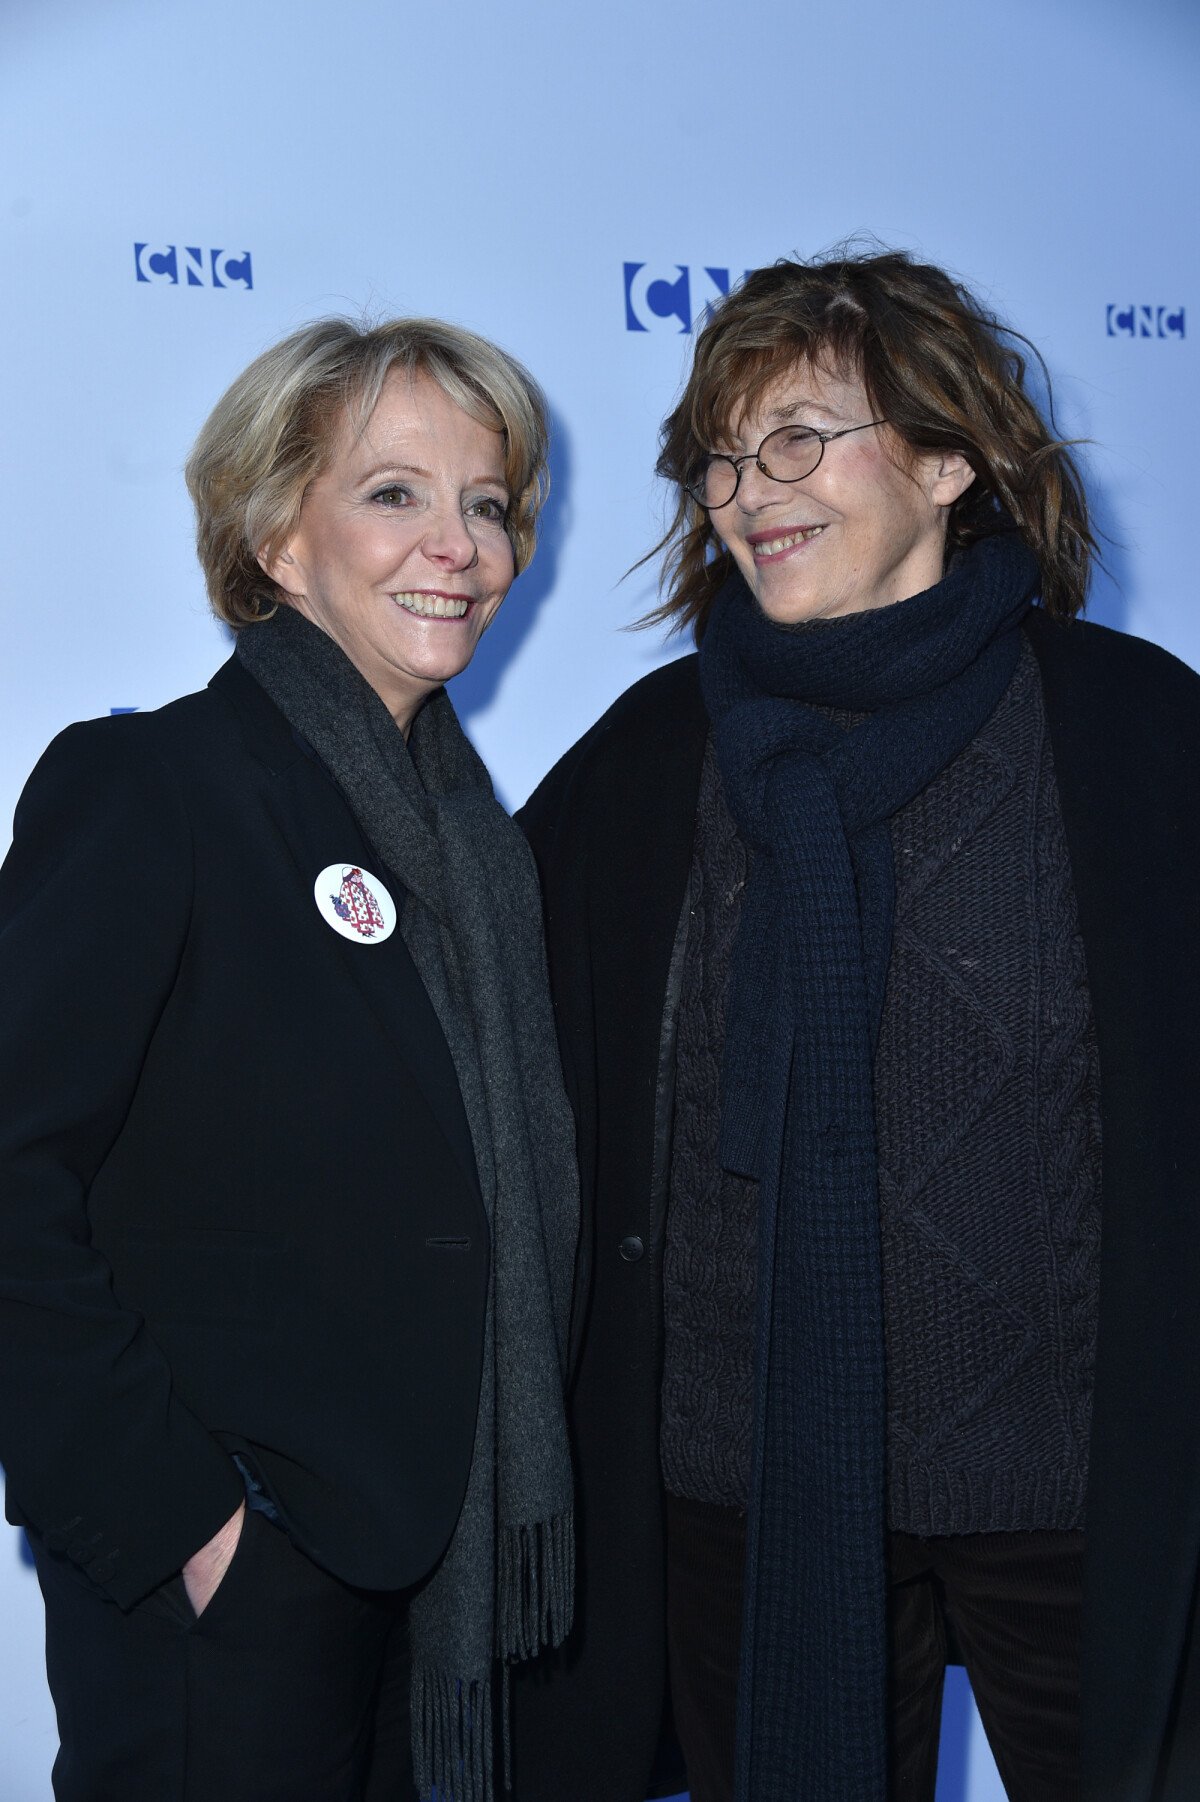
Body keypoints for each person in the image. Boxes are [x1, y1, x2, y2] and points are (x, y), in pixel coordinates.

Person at [511, 249, 1200, 1802]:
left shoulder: (1136, 733)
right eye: (726, 455)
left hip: (1079, 1488)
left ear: (954, 456)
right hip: (747, 1489)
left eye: (803, 437)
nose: (753, 488)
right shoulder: (646, 759)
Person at [0, 315, 578, 1802]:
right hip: (233, 1588)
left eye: (489, 502)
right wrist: (197, 1529)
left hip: (441, 1589)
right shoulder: (153, 789)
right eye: (394, 492)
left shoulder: (488, 854)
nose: (457, 543)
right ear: (274, 532)